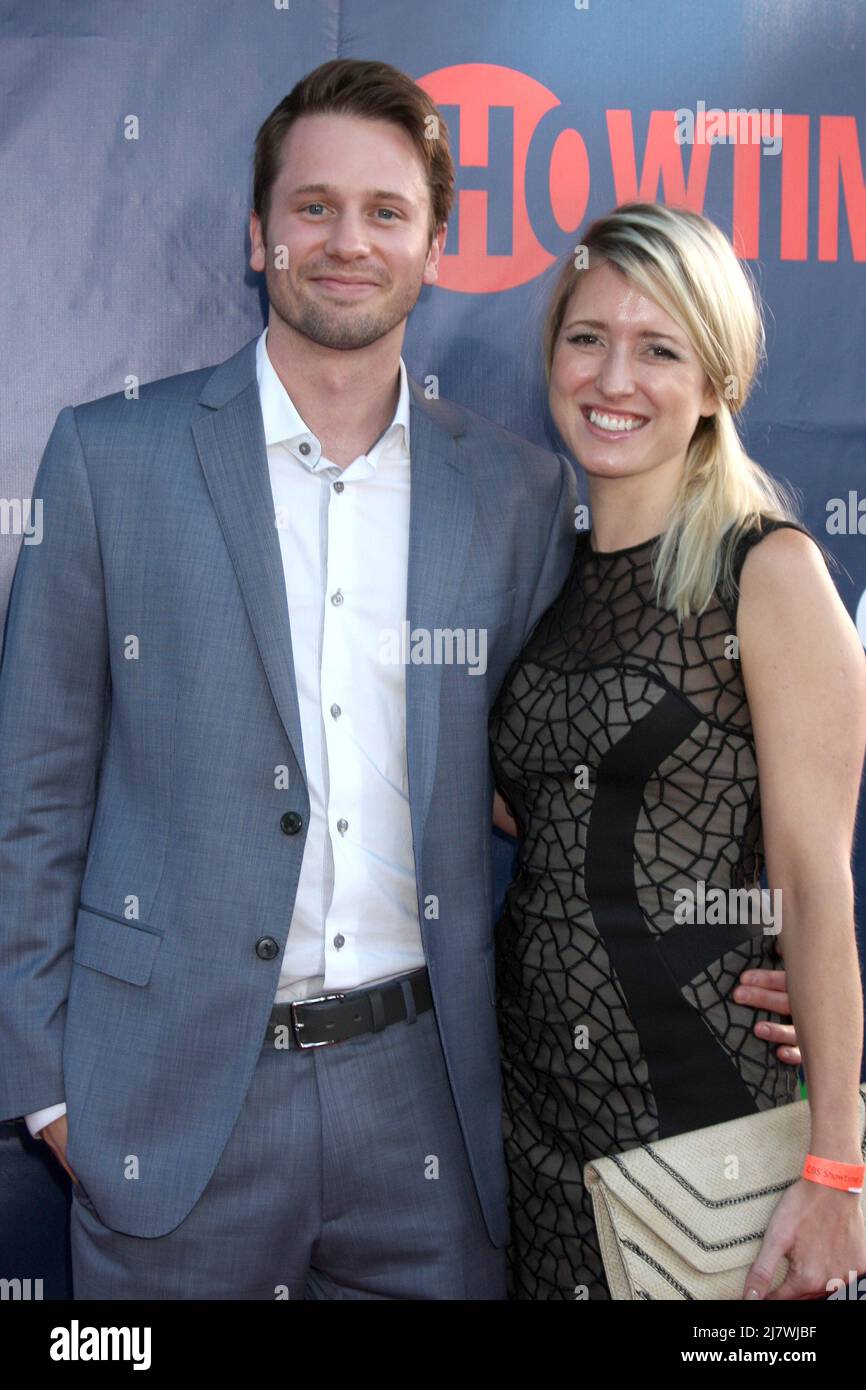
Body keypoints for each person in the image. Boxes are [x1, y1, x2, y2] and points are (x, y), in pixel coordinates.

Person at [0, 63, 796, 1300]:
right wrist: (48, 1088)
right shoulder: (110, 461)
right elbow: (31, 796)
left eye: (384, 211)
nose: (345, 241)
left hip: (431, 1110)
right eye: (311, 207)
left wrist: (761, 937)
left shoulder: (522, 495)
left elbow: (584, 761)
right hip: (165, 1105)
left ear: (437, 243)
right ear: (258, 233)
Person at [489, 201, 866, 1301]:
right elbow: (542, 809)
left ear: (715, 384)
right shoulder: (543, 584)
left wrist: (836, 1167)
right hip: (535, 1133)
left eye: (659, 349)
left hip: (706, 1138)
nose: (614, 378)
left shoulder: (769, 571)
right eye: (586, 337)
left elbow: (810, 886)